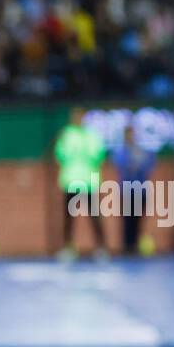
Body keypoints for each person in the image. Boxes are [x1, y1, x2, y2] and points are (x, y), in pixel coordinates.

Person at [55, 106, 109, 260]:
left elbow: (99, 155)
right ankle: (68, 249)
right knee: (69, 218)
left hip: (89, 182)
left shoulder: (93, 136)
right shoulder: (67, 135)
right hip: (71, 181)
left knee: (95, 216)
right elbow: (60, 154)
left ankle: (101, 249)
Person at [111, 124, 156, 255]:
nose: (130, 137)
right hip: (127, 191)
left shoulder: (141, 150)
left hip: (140, 190)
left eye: (132, 134)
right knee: (127, 219)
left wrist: (139, 164)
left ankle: (135, 245)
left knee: (137, 219)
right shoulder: (121, 151)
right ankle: (127, 247)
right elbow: (122, 165)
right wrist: (133, 163)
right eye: (127, 134)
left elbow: (149, 163)